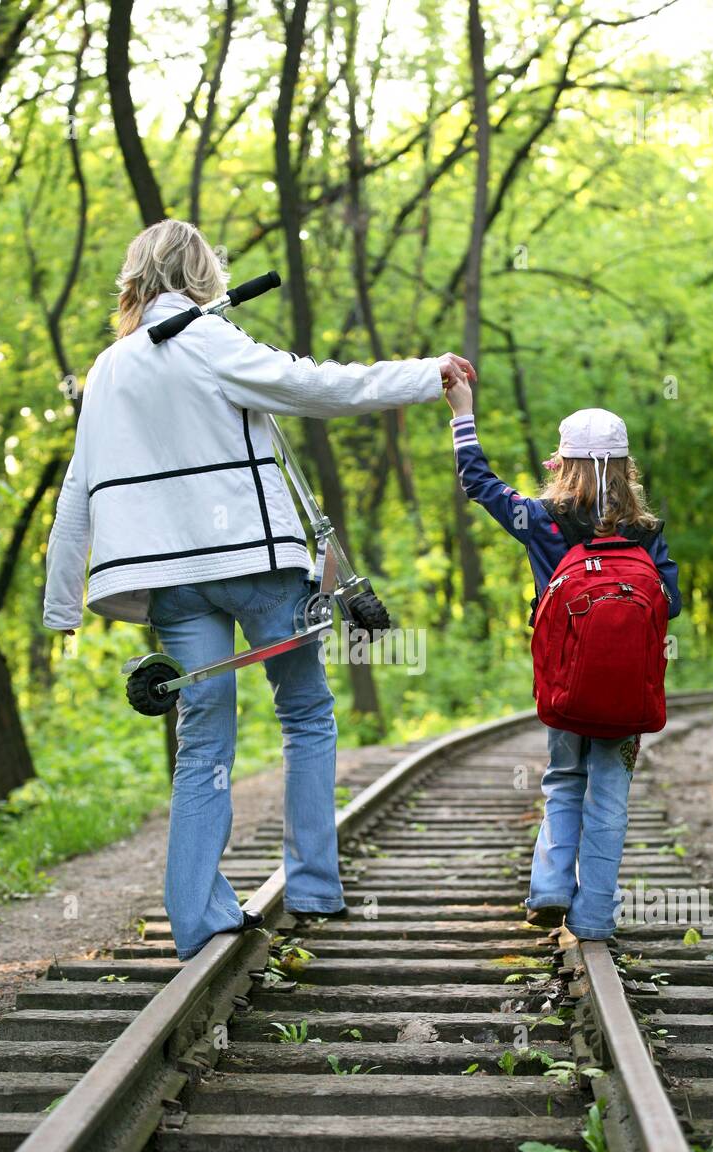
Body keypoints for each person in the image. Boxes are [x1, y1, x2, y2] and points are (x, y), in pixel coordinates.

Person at [43, 218, 475, 961]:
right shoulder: (211, 340)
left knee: (202, 737)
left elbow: (77, 488)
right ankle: (312, 887)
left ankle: (198, 920)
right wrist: (424, 373)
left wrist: (61, 603)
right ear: (199, 272)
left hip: (172, 583)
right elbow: (312, 384)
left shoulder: (108, 368)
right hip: (255, 562)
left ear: (135, 280)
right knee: (305, 713)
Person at [444, 383, 682, 942]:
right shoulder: (646, 532)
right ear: (627, 468)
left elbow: (480, 483)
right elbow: (669, 603)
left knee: (563, 778)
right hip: (626, 696)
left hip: (566, 687)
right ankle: (595, 914)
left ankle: (550, 889)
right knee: (611, 793)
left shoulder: (540, 519)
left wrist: (464, 414)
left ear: (563, 462)